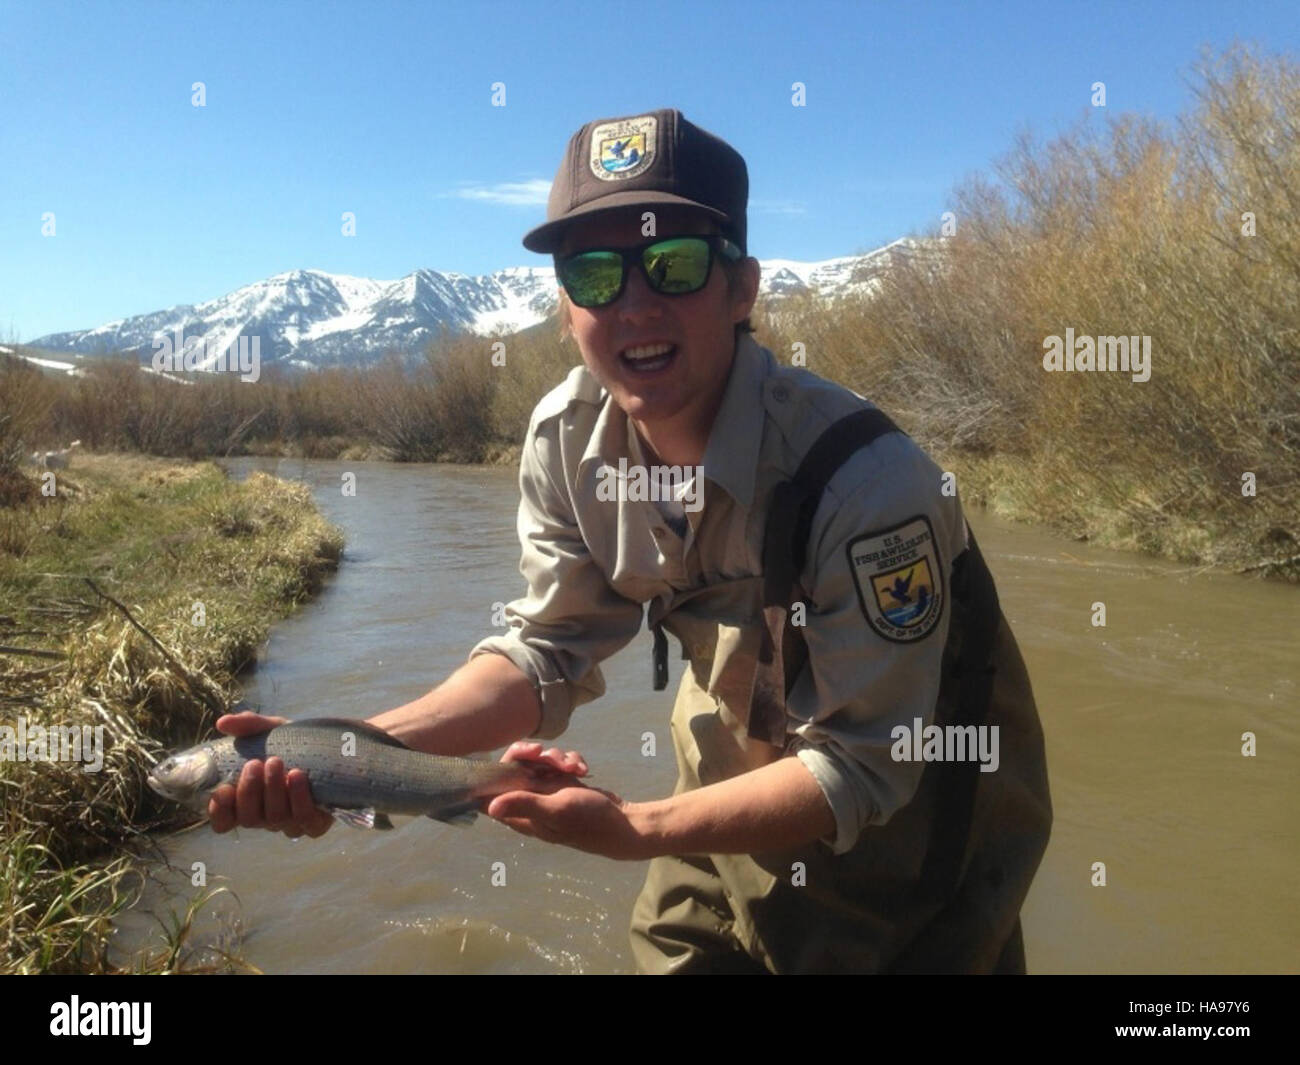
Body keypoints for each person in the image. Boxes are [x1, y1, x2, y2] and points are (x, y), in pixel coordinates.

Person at [210, 108, 1052, 974]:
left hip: (916, 822)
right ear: (566, 304)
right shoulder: (566, 442)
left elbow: (863, 768)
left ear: (742, 288)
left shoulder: (868, 485)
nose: (634, 305)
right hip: (725, 769)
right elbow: (546, 651)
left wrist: (633, 829)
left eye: (674, 265)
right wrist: (344, 750)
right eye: (594, 272)